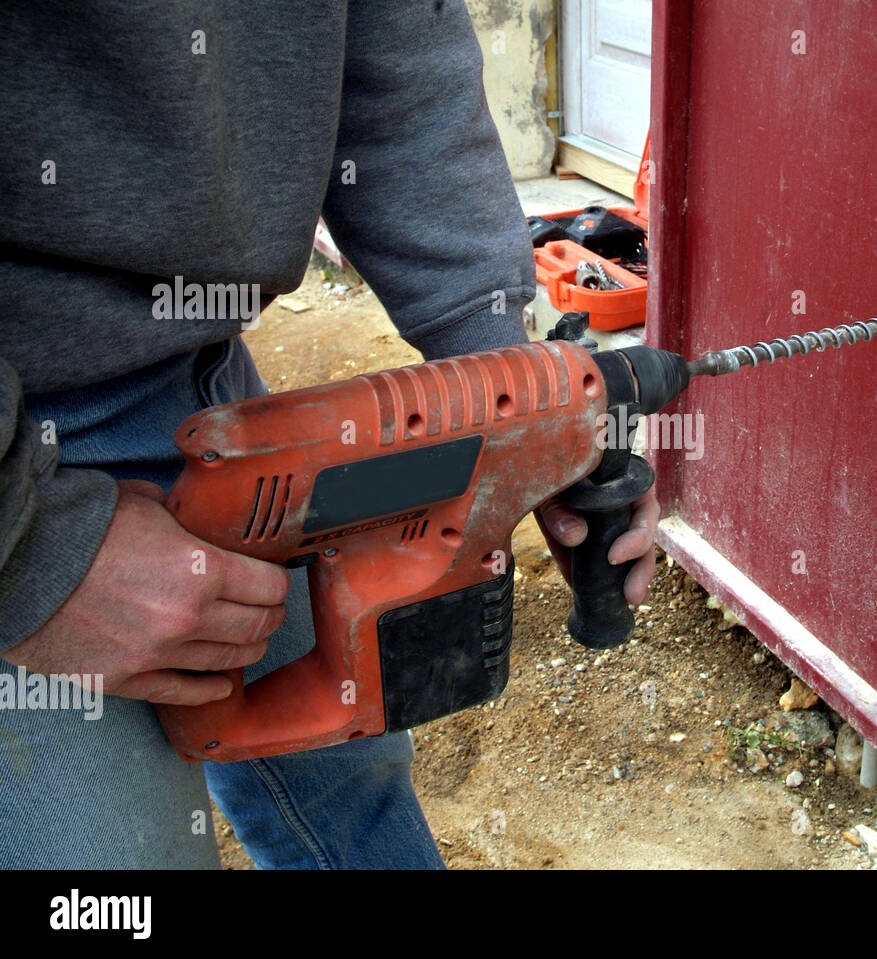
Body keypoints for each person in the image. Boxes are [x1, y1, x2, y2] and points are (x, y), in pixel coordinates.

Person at [0, 0, 658, 869]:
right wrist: (33, 550)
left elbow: (396, 67)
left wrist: (513, 389)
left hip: (203, 381)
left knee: (346, 750)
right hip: (23, 420)